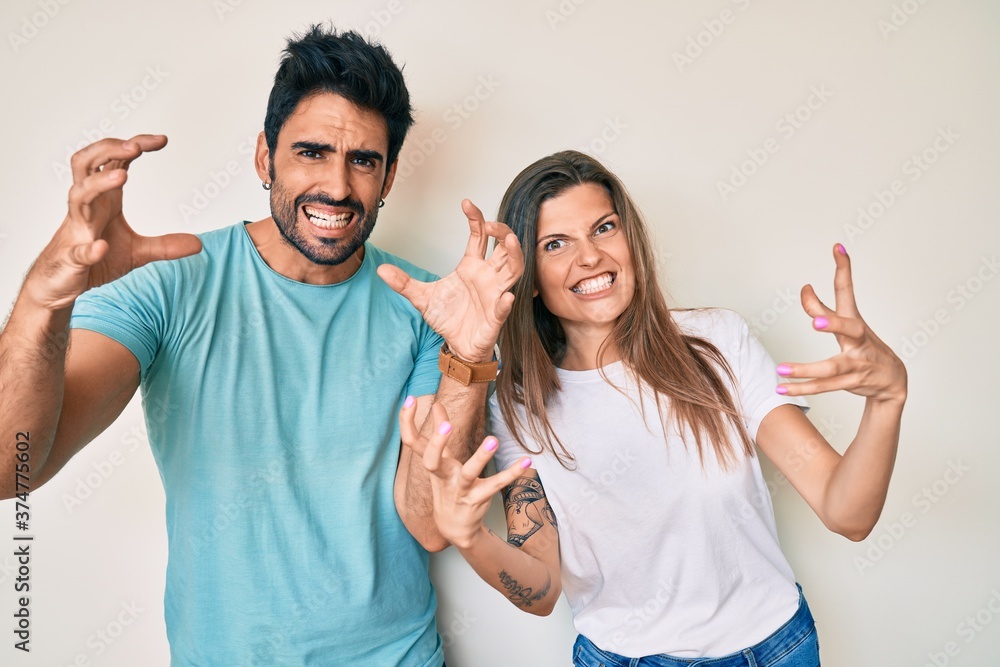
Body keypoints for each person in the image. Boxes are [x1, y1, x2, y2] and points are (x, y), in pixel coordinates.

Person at [0, 25, 522, 666]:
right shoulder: (171, 284)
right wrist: (42, 303)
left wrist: (468, 356)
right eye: (310, 152)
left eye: (364, 161)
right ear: (264, 158)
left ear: (387, 181)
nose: (336, 185)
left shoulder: (423, 307)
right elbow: (12, 469)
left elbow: (430, 524)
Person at [399, 150, 907, 666]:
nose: (591, 257)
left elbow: (848, 514)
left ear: (631, 240)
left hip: (776, 650)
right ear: (529, 278)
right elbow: (543, 588)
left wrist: (887, 403)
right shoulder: (518, 404)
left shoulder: (717, 342)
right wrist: (471, 537)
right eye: (556, 244)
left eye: (604, 228)